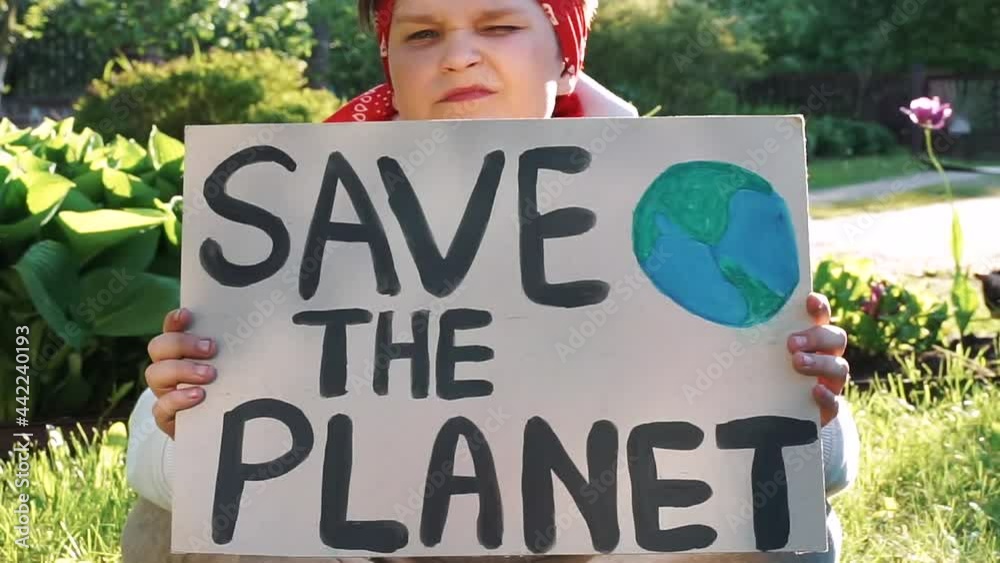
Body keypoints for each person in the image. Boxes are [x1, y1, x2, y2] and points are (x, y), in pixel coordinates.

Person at [121, 1, 860, 562]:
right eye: (422, 34)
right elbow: (154, 475)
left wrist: (801, 400)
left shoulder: (680, 207)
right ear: (391, 65)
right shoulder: (301, 218)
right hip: (379, 542)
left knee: (771, 521)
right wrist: (187, 413)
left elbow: (822, 474)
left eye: (499, 26)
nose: (459, 56)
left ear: (566, 58)